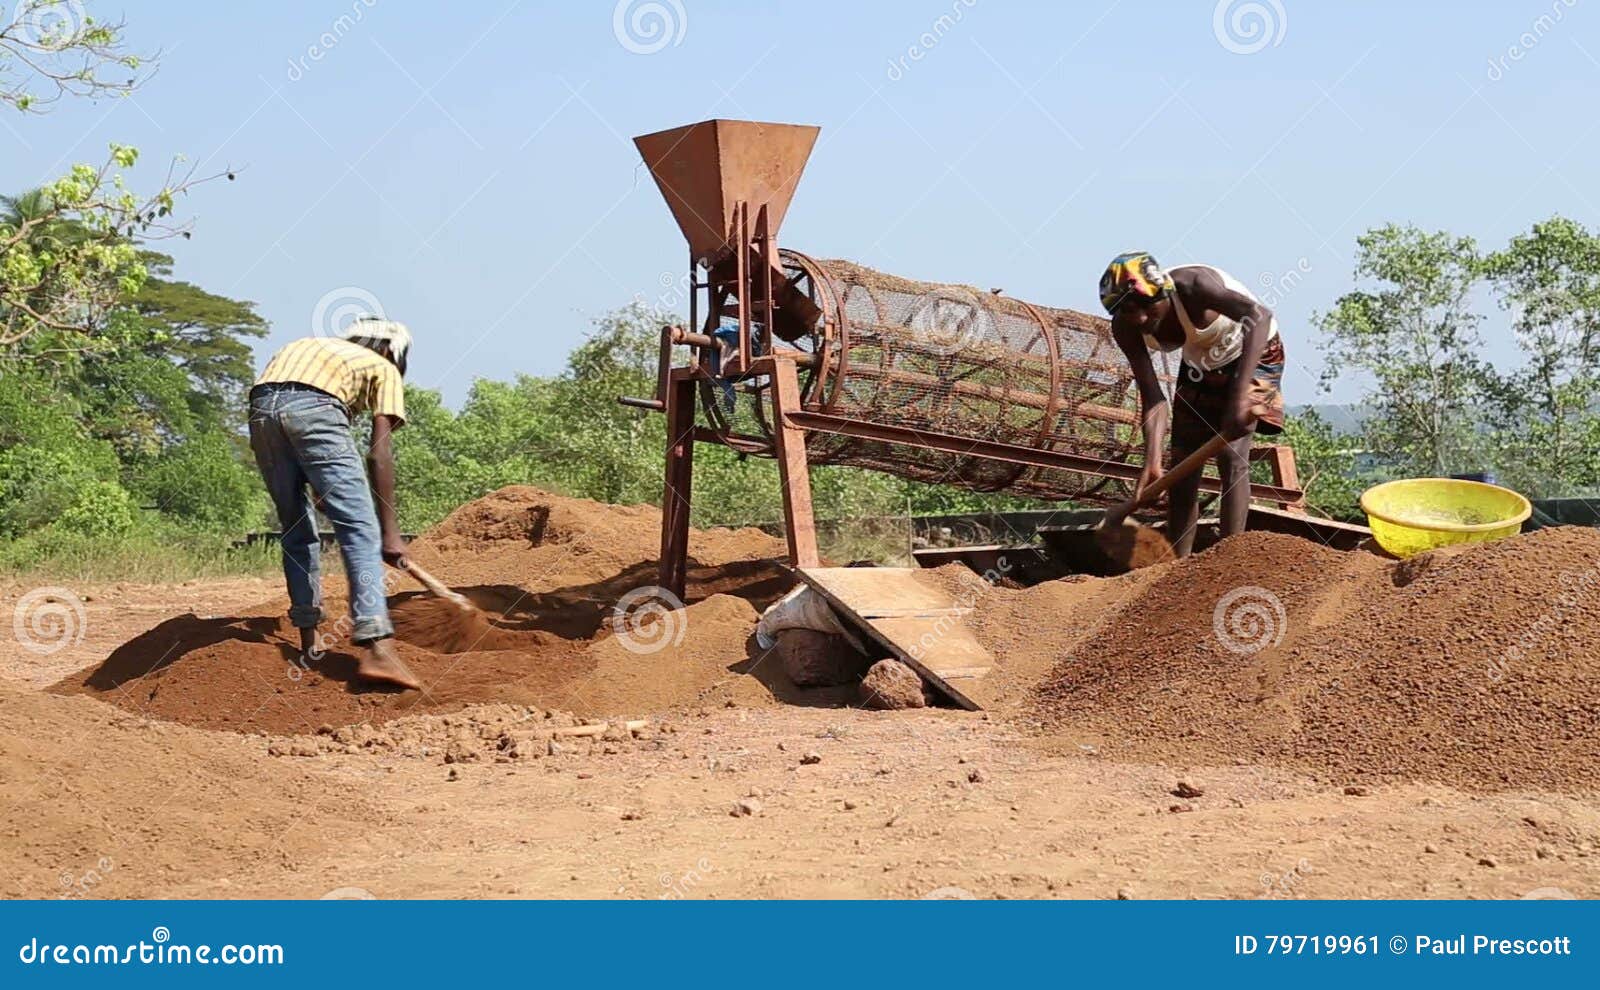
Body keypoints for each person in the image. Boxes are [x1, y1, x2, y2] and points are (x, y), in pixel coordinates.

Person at [247, 317, 421, 689]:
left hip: (261, 407)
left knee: (296, 528)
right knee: (360, 529)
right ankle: (378, 645)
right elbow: (379, 453)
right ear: (393, 350)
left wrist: (323, 488)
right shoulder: (383, 366)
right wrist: (389, 534)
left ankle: (308, 640)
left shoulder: (311, 348)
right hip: (318, 408)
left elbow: (288, 408)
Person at [1099, 252, 1286, 555]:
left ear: (1164, 292)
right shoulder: (1125, 328)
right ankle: (1177, 571)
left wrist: (1239, 396)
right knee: (1182, 465)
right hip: (1201, 363)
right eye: (1128, 311)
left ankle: (1228, 559)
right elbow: (1153, 396)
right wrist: (1152, 462)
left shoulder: (1195, 286)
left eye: (1147, 307)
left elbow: (1260, 316)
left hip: (1257, 352)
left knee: (1231, 455)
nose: (1141, 319)